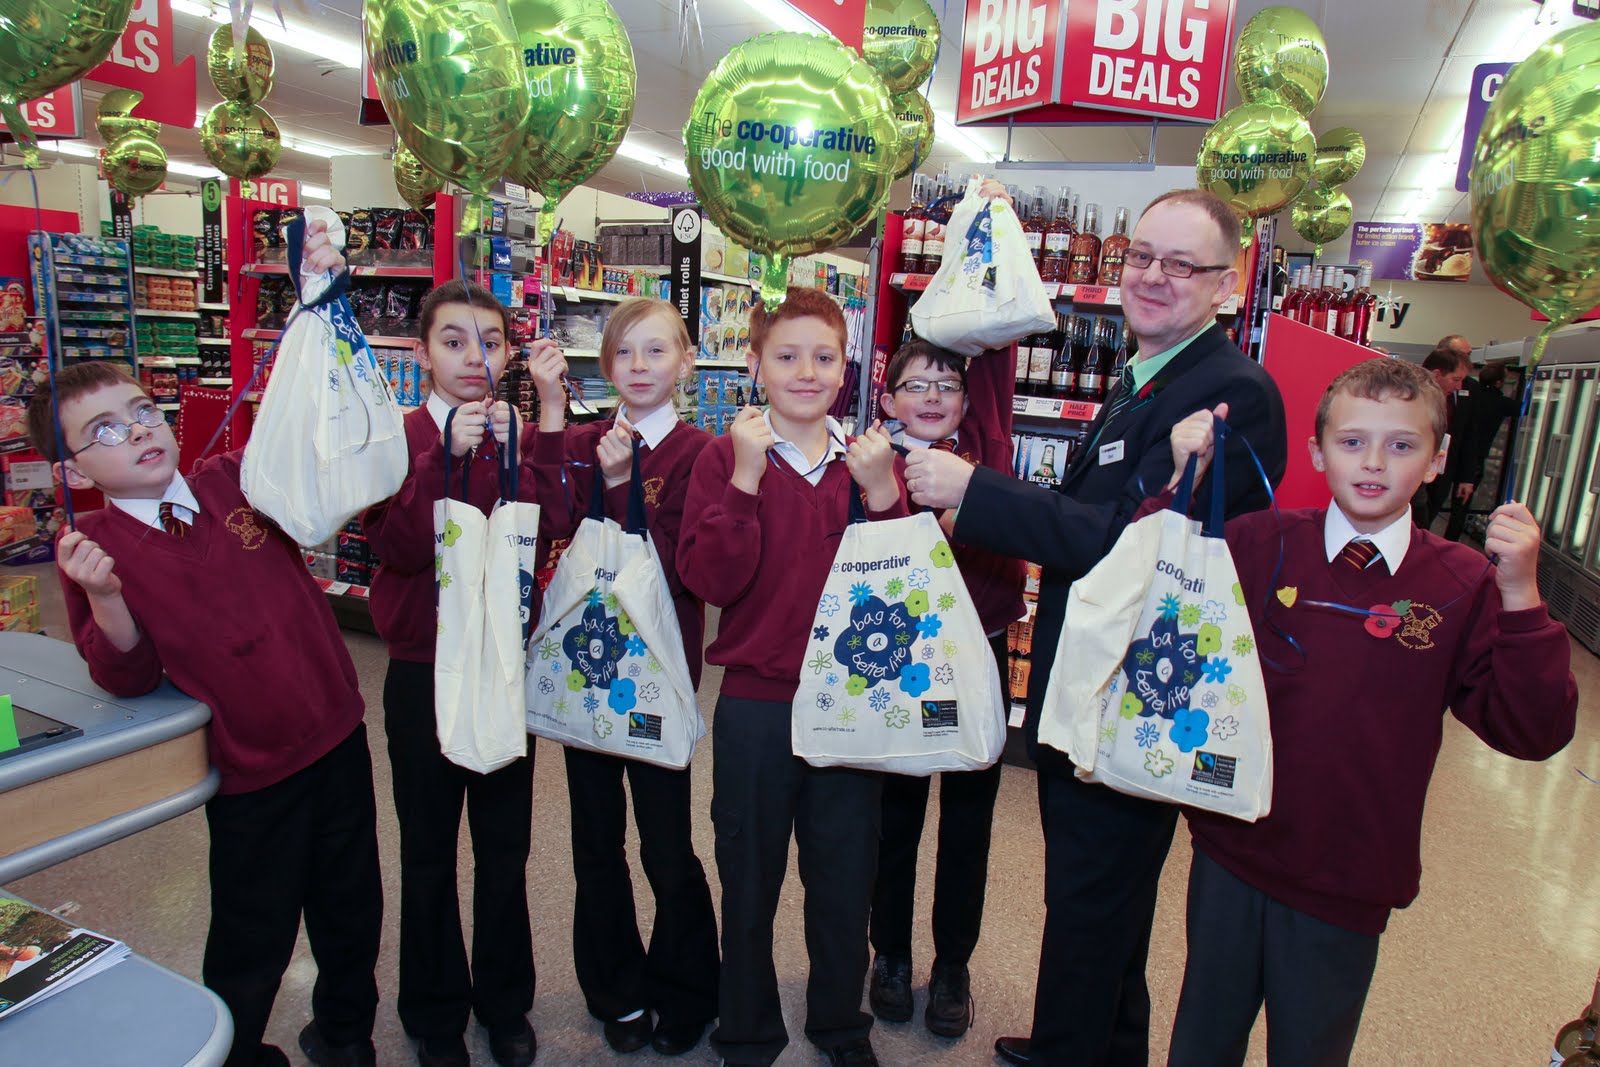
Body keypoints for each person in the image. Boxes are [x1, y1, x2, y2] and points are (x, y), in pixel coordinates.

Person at [903, 188, 1288, 1066]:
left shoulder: (1231, 393)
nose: (1152, 276)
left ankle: (1070, 1050)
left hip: (1132, 685)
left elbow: (1126, 538)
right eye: (1141, 256)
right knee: (1106, 893)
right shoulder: (1148, 374)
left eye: (1181, 264)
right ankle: (1102, 1042)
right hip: (1092, 678)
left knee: (1091, 890)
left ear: (1227, 283)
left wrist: (975, 490)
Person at [1160, 358, 1577, 1065]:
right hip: (1232, 853)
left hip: (1348, 878)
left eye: (1402, 445)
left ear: (1438, 459)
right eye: (1352, 442)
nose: (1375, 462)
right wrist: (1179, 487)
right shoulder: (1258, 543)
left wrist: (1522, 596)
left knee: (1311, 1049)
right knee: (1202, 1041)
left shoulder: (1461, 582)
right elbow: (1154, 595)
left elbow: (1532, 729)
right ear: (1318, 452)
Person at [37, 222, 381, 1067]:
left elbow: (308, 421)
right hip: (251, 772)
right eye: (105, 431)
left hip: (336, 732)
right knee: (253, 931)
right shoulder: (97, 554)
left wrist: (320, 302)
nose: (138, 431)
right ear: (75, 471)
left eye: (142, 410)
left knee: (353, 908)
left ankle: (346, 1035)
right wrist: (106, 598)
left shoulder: (235, 479)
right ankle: (233, 1049)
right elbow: (125, 674)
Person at [677, 287, 905, 1067]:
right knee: (747, 874)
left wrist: (884, 495)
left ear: (847, 368)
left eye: (823, 356)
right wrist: (744, 479)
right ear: (755, 364)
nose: (806, 372)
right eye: (786, 355)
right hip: (756, 706)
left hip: (850, 707)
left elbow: (906, 591)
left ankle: (840, 1022)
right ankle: (746, 1025)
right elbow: (711, 579)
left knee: (845, 877)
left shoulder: (867, 464)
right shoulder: (724, 458)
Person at [362, 279, 567, 1067]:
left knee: (505, 848)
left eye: (490, 341)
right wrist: (439, 456)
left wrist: (540, 434)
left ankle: (505, 1003)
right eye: (454, 341)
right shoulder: (398, 435)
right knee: (427, 850)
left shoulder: (516, 434)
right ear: (422, 353)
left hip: (504, 668)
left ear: (510, 352)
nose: (473, 357)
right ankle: (434, 1010)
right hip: (423, 670)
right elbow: (396, 548)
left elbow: (555, 527)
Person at [540, 297, 720, 1057]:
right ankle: (615, 989)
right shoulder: (585, 440)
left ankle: (688, 989)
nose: (639, 367)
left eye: (656, 350)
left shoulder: (702, 454)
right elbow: (547, 523)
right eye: (623, 352)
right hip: (584, 675)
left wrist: (618, 488)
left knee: (667, 845)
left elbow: (684, 567)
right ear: (604, 363)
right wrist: (552, 414)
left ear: (686, 361)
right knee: (595, 841)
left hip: (655, 678)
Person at [866, 338, 1024, 1038]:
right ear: (888, 398)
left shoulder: (984, 459)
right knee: (894, 815)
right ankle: (891, 954)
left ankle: (953, 963)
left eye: (947, 384)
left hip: (978, 650)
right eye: (916, 384)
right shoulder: (875, 464)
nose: (932, 396)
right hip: (901, 659)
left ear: (967, 400)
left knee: (968, 820)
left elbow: (993, 355)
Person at [1443, 359, 1519, 542]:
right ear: (1499, 382)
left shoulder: (1470, 397)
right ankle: (1450, 541)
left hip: (1451, 455)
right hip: (1475, 459)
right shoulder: (1500, 402)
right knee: (1461, 505)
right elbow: (1525, 408)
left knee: (1437, 498)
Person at [1411, 345, 1471, 530]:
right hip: (1414, 486)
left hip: (1438, 478)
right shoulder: (1405, 398)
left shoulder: (1456, 400)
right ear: (1436, 374)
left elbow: (1468, 437)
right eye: (1456, 379)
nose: (1459, 387)